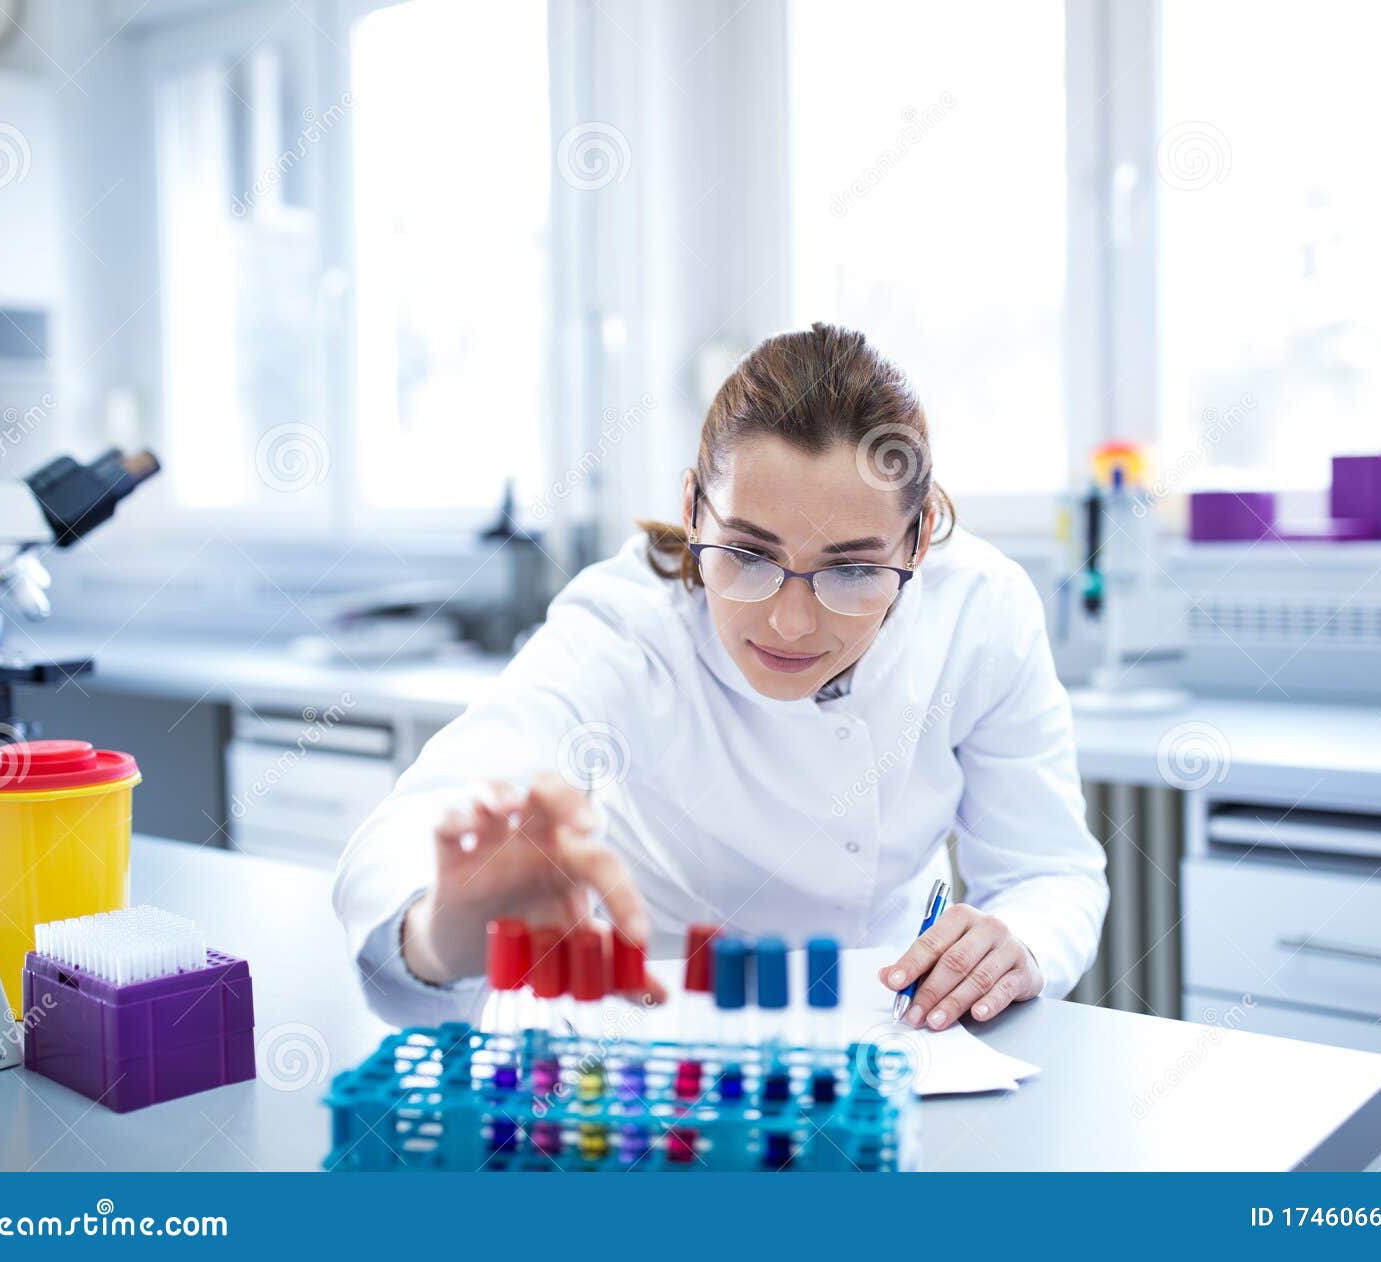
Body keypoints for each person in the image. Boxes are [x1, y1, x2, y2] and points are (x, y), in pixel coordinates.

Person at [333, 323, 1108, 1032]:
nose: (790, 623)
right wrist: (444, 929)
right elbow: (413, 830)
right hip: (660, 1041)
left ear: (921, 537)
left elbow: (1049, 871)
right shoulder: (626, 627)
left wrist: (1018, 941)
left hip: (897, 1032)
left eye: (851, 571)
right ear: (693, 510)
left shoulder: (980, 611)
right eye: (747, 555)